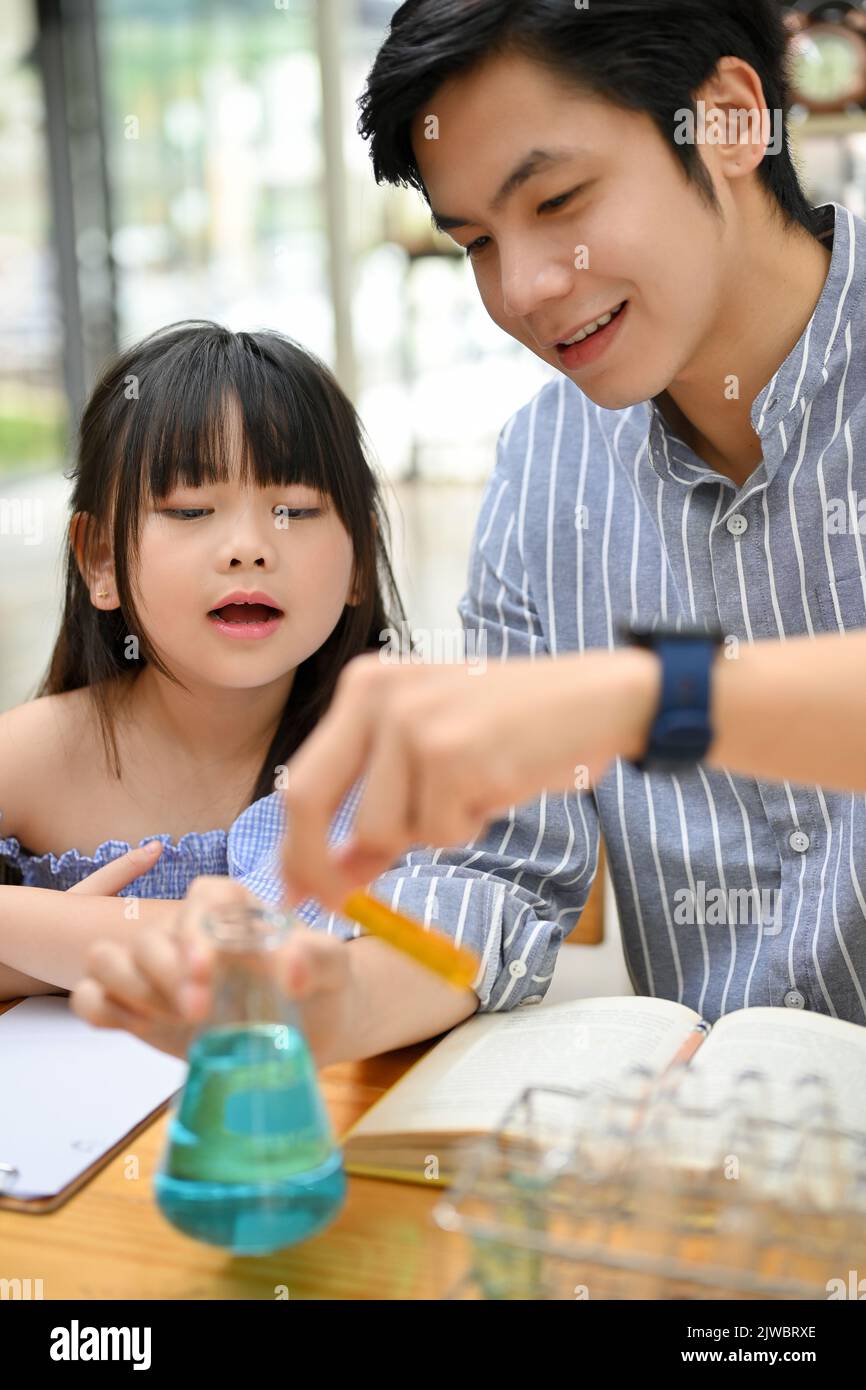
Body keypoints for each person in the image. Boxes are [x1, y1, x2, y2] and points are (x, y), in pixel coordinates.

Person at [74, 0, 866, 1061]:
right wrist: (330, 998)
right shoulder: (544, 471)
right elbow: (501, 871)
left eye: (558, 198)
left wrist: (640, 697)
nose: (526, 288)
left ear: (726, 119)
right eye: (477, 243)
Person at [0, 319, 417, 1023]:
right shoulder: (37, 753)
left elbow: (298, 958)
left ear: (360, 559)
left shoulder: (390, 756)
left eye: (296, 509)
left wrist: (34, 945)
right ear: (101, 559)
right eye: (191, 509)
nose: (249, 548)